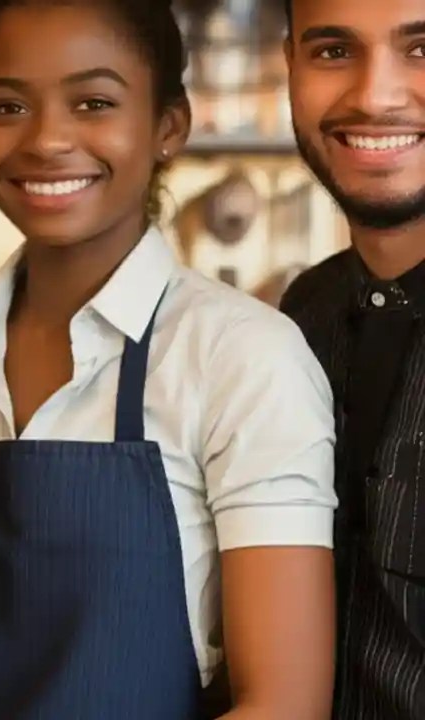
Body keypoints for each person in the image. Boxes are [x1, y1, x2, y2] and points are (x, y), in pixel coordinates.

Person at [0, 0, 341, 718]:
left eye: (94, 101)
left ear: (170, 125)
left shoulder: (242, 358)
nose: (47, 139)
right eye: (9, 104)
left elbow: (285, 707)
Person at [280, 0, 425, 716]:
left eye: (422, 48)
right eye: (334, 51)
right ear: (288, 68)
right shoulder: (302, 315)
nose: (374, 96)